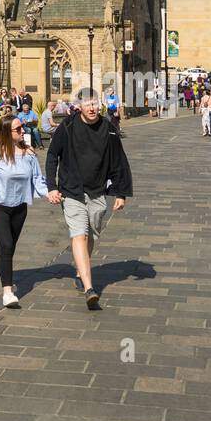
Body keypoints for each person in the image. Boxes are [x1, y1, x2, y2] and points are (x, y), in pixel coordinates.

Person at [46, 99, 132, 310]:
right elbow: (51, 156)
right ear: (79, 107)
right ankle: (89, 288)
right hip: (71, 189)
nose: (92, 108)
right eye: (88, 104)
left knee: (91, 235)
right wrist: (52, 187)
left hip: (97, 190)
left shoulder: (108, 128)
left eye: (95, 104)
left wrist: (121, 193)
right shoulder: (67, 127)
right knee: (79, 235)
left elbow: (118, 160)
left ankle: (79, 271)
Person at [0, 116, 49, 307]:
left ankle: (3, 267)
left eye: (22, 127)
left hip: (19, 207)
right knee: (6, 245)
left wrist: (51, 194)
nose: (23, 131)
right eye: (18, 128)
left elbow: (37, 179)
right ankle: (8, 293)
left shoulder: (28, 153)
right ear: (7, 132)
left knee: (10, 246)